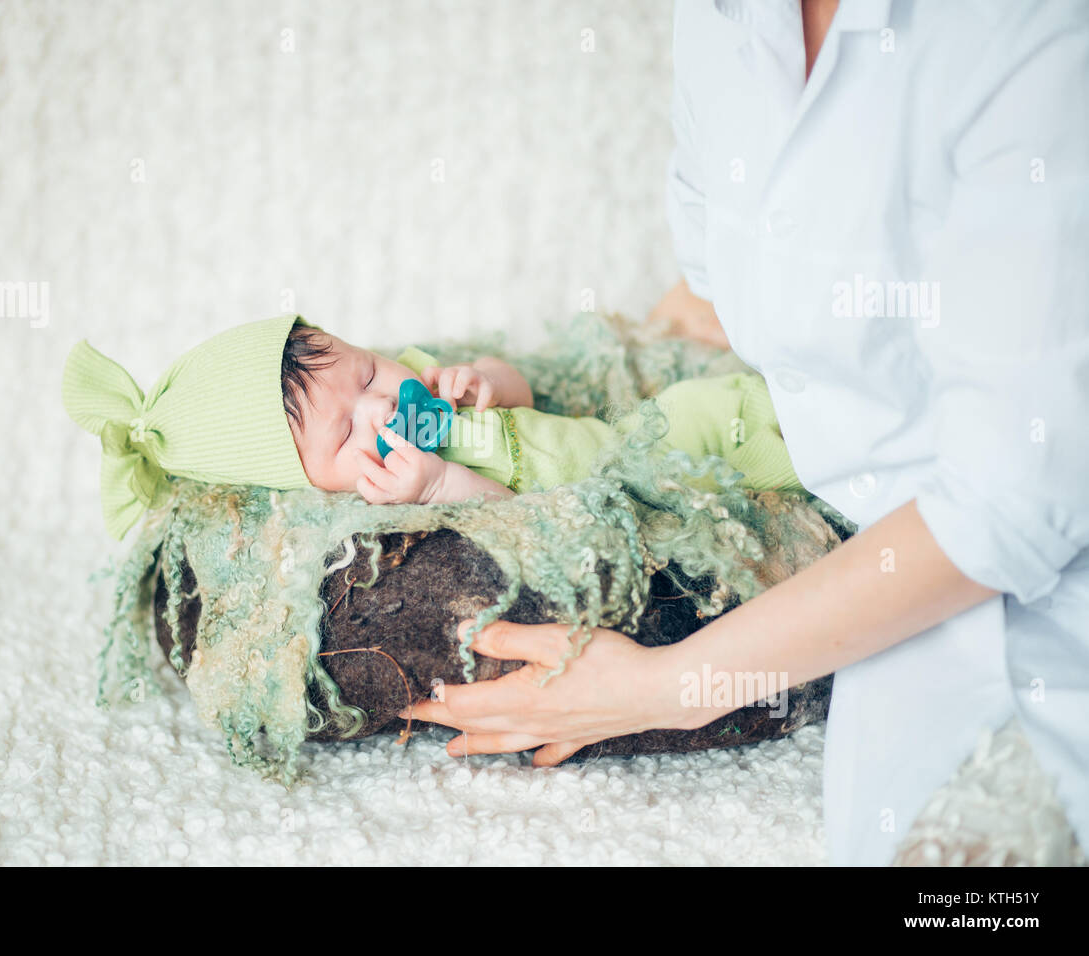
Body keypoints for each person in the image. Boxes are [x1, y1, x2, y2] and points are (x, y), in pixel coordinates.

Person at [402, 0, 1089, 866]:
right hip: (878, 591)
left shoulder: (1030, 32)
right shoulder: (723, 21)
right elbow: (717, 300)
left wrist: (667, 687)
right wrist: (561, 420)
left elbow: (1009, 507)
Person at [61, 313, 804, 539]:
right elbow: (523, 526)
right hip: (637, 491)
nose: (380, 410)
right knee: (788, 479)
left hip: (650, 435)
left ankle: (818, 406)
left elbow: (532, 390)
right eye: (345, 435)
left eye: (368, 377)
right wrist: (444, 482)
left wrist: (485, 382)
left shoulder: (430, 389)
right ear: (311, 485)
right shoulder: (395, 497)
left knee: (734, 405)